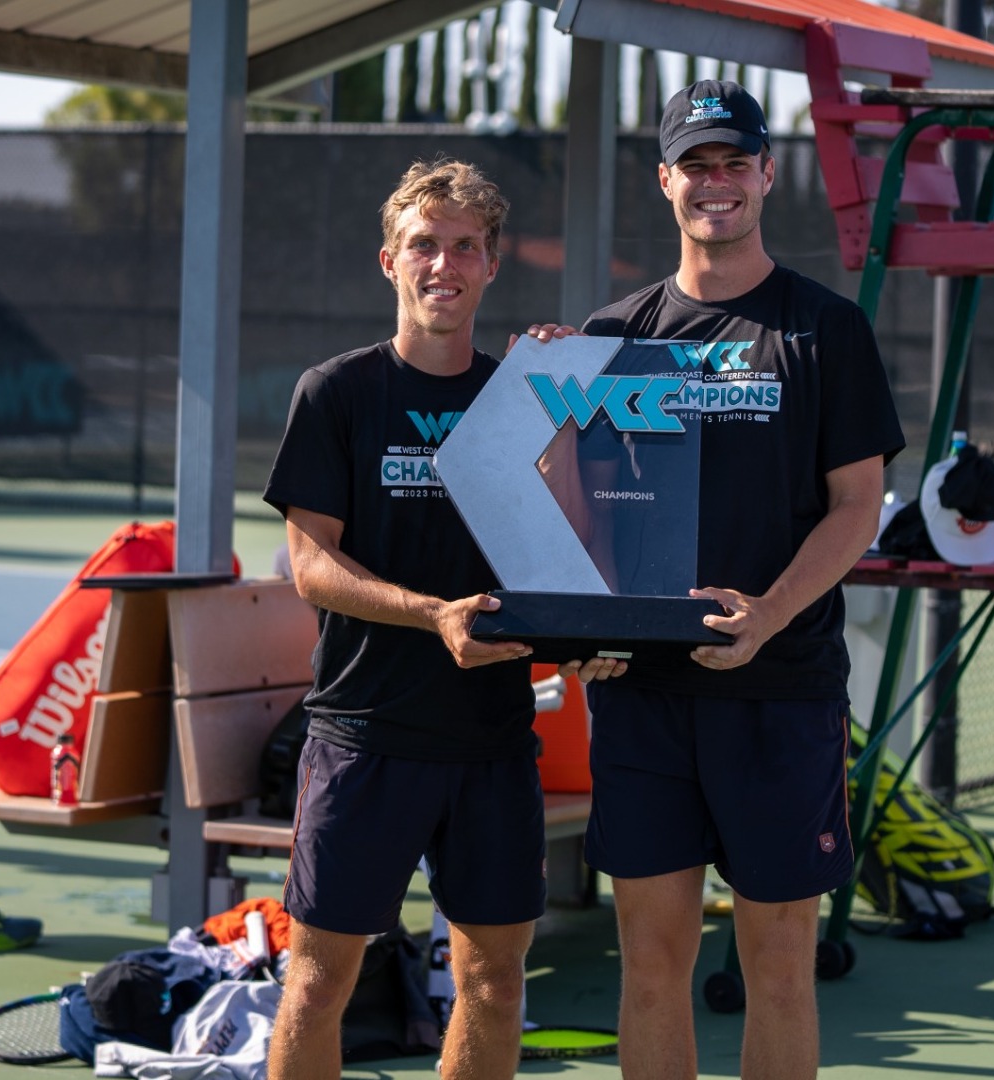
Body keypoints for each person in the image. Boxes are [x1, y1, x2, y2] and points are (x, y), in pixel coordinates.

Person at [528, 80, 907, 1078]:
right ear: (665, 181)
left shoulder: (826, 331)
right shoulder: (611, 337)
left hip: (780, 695)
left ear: (768, 175)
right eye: (696, 164)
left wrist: (769, 616)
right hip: (647, 702)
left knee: (778, 966)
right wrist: (585, 626)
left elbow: (855, 507)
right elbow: (569, 511)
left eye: (735, 162)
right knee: (650, 966)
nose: (717, 182)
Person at [261, 159, 619, 1080]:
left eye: (466, 247)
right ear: (390, 260)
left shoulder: (518, 397)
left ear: (492, 265)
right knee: (315, 985)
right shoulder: (336, 394)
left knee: (496, 982)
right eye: (425, 245)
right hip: (364, 739)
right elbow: (310, 565)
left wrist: (565, 414)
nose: (443, 266)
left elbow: (567, 556)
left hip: (491, 742)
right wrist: (434, 616)